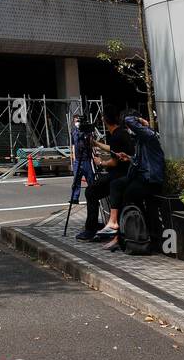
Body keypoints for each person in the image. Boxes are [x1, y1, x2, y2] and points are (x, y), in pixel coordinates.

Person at [95, 112, 166, 251]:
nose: (129, 129)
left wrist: (141, 120)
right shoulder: (141, 139)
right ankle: (115, 224)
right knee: (116, 185)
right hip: (142, 176)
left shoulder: (148, 135)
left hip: (150, 180)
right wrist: (128, 157)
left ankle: (127, 233)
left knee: (127, 194)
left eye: (130, 127)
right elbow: (141, 161)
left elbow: (129, 119)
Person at [75, 106, 135, 241]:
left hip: (118, 175)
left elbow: (113, 162)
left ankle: (91, 229)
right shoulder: (121, 133)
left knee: (91, 191)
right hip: (125, 173)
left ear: (105, 119)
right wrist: (96, 144)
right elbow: (113, 149)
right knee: (93, 191)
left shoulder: (116, 136)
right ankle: (95, 226)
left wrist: (100, 162)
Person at [69, 114, 95, 204]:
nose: (77, 123)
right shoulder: (73, 131)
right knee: (76, 180)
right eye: (76, 121)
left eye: (78, 121)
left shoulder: (87, 131)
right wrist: (73, 158)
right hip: (78, 159)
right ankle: (75, 198)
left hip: (86, 159)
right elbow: (73, 145)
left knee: (90, 179)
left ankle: (94, 196)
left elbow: (91, 142)